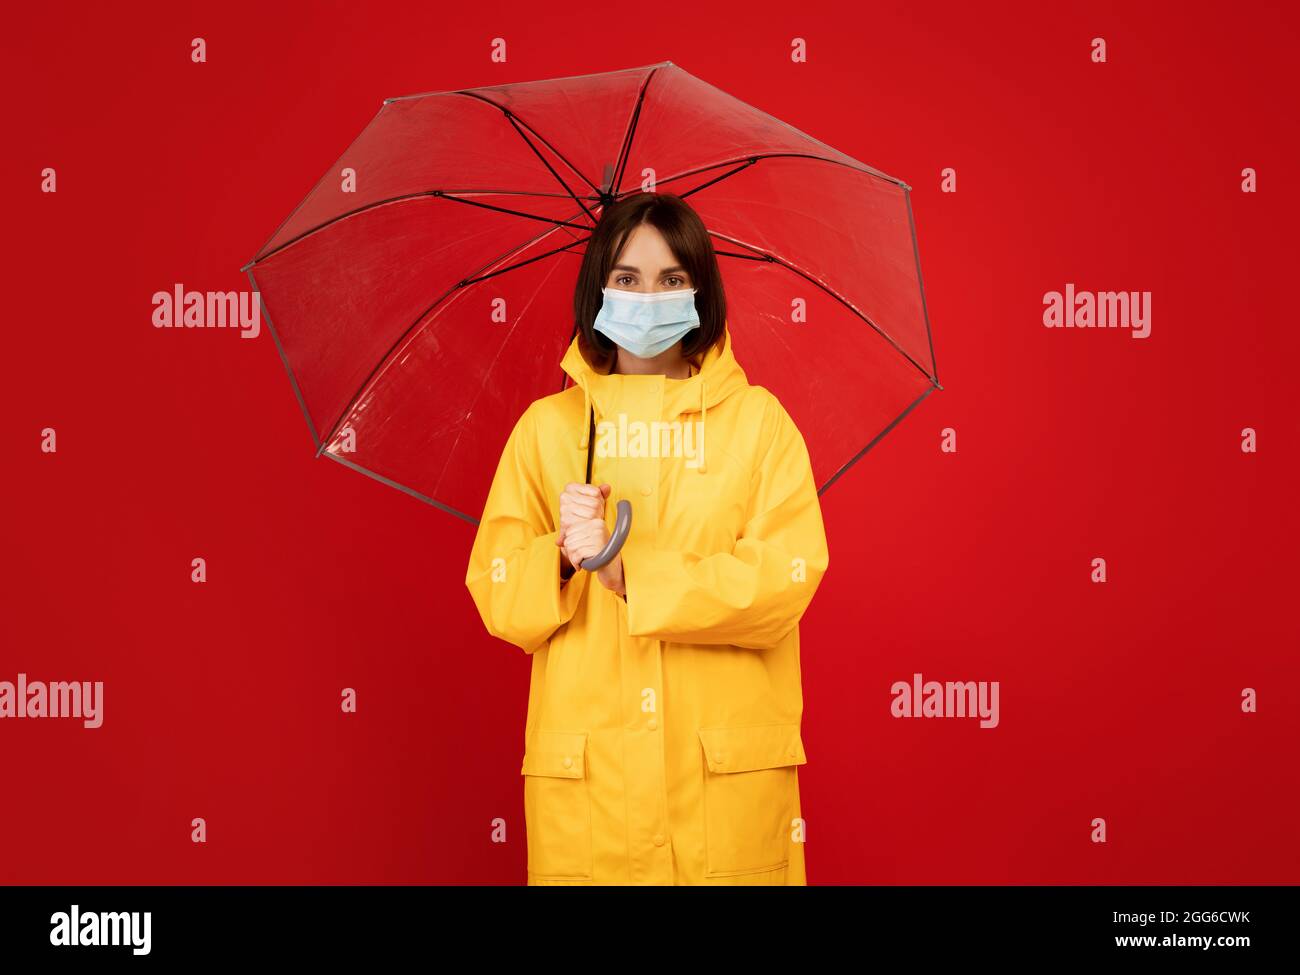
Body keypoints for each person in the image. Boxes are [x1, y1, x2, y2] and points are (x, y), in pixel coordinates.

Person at [464, 191, 829, 885]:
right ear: (598, 288)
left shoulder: (758, 424)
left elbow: (785, 580)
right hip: (592, 798)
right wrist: (563, 560)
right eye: (627, 278)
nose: (647, 297)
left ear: (701, 291)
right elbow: (497, 594)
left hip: (721, 792)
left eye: (671, 279)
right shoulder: (547, 430)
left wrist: (638, 575)